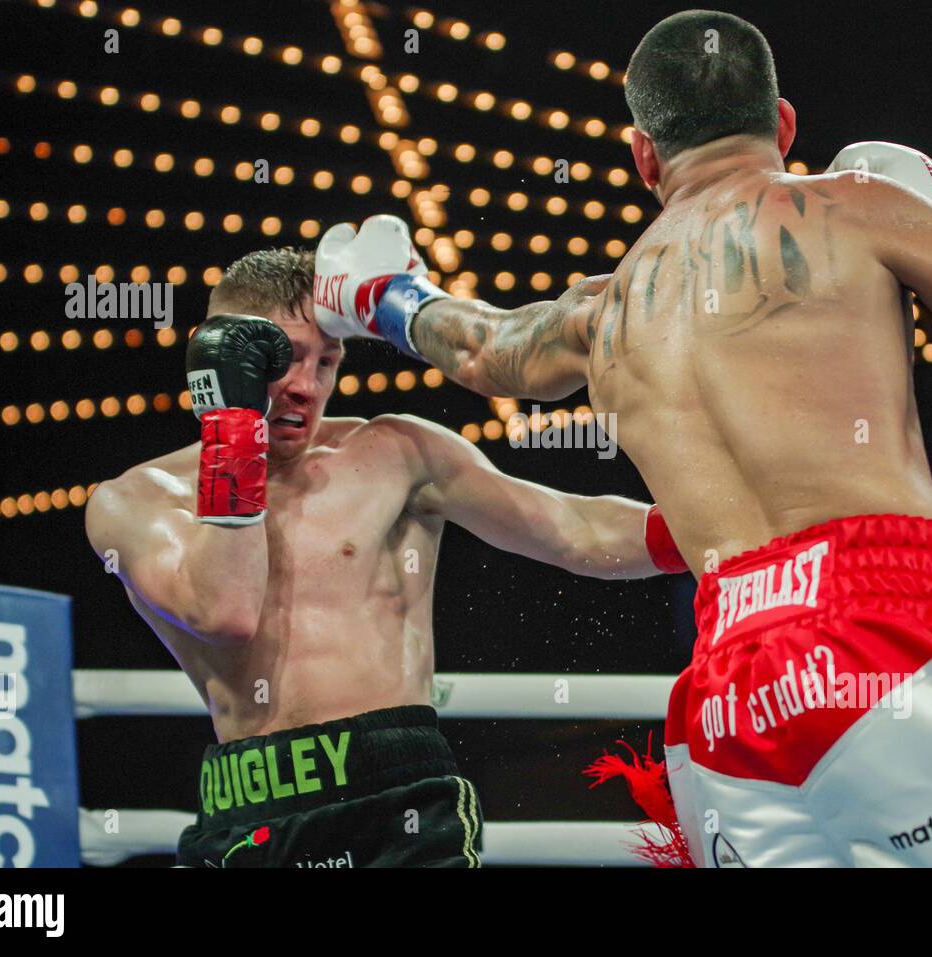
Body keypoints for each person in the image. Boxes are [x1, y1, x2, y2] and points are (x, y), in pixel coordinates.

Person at [309, 9, 932, 868]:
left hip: (729, 698)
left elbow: (483, 349)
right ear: (782, 123)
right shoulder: (851, 206)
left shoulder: (605, 309)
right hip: (889, 634)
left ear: (642, 154)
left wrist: (384, 296)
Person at [84, 247, 686, 868]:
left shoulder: (397, 451)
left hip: (400, 794)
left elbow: (571, 527)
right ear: (216, 351)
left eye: (327, 362)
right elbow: (226, 611)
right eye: (284, 357)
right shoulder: (136, 501)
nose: (305, 385)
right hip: (252, 801)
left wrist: (722, 537)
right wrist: (232, 424)